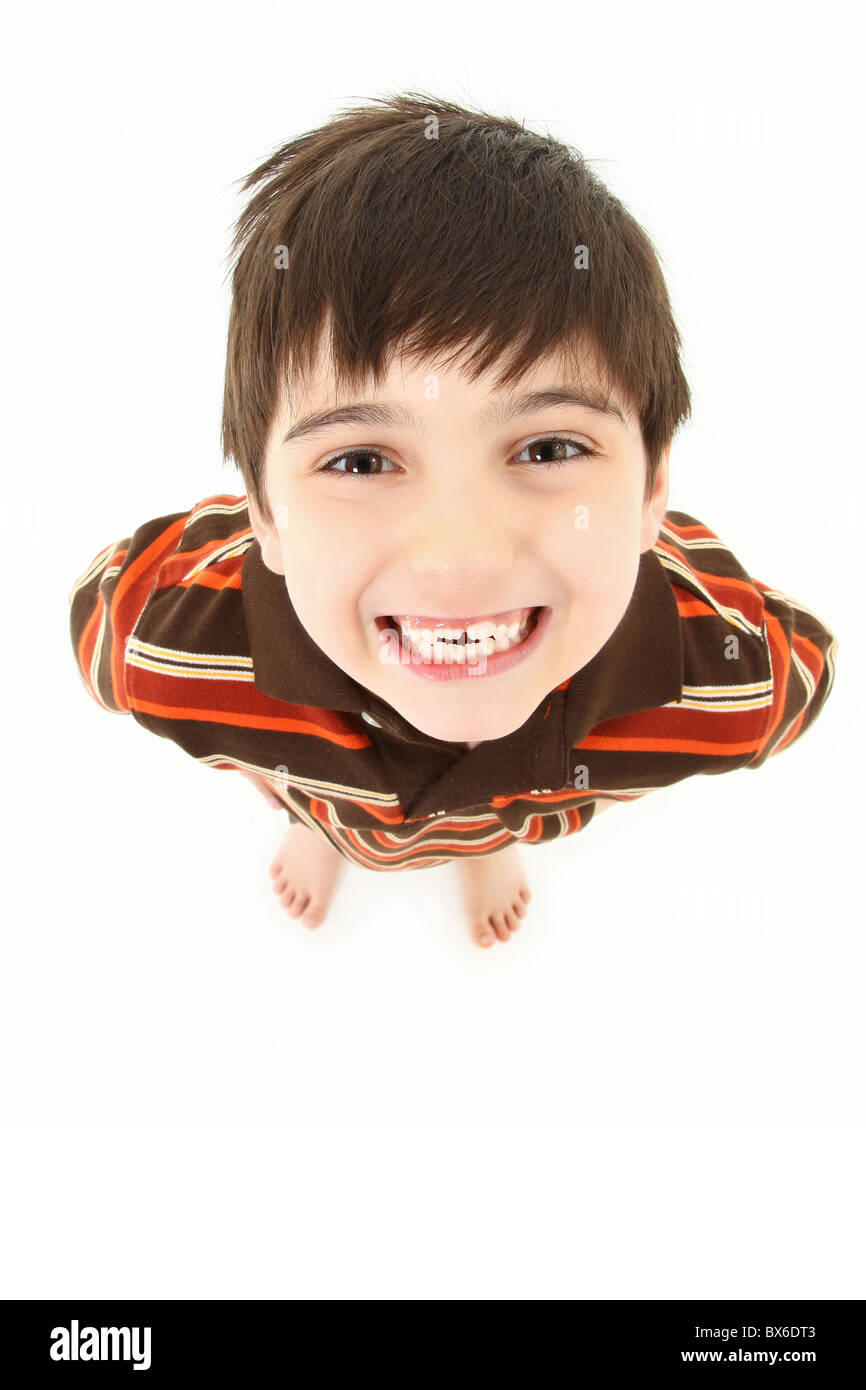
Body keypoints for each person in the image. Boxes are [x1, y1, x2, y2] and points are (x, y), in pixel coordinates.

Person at [68, 91, 838, 949]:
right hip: (319, 790)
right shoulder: (167, 650)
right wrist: (283, 785)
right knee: (315, 802)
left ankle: (491, 839)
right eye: (360, 461)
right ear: (264, 518)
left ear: (654, 489)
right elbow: (105, 604)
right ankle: (319, 824)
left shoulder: (733, 684)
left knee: (500, 818)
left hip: (533, 802)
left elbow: (806, 662)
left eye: (548, 450)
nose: (461, 556)